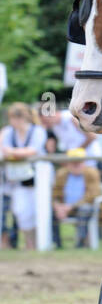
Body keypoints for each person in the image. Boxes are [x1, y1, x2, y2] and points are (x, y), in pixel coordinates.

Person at [1, 103, 48, 250]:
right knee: (21, 211)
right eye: (12, 118)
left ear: (24, 117)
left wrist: (13, 152)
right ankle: (30, 243)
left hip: (38, 178)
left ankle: (40, 243)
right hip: (18, 178)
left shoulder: (38, 131)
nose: (14, 122)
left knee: (38, 209)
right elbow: (3, 149)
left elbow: (32, 150)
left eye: (17, 118)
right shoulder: (8, 132)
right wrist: (16, 152)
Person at [52, 148, 102, 248]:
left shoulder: (92, 173)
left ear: (84, 162)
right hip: (64, 208)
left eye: (79, 162)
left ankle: (80, 243)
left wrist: (72, 206)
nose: (76, 164)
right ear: (68, 163)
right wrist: (58, 207)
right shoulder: (61, 174)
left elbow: (92, 194)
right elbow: (55, 193)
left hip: (82, 207)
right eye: (73, 162)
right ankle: (56, 244)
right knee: (49, 212)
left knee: (85, 209)